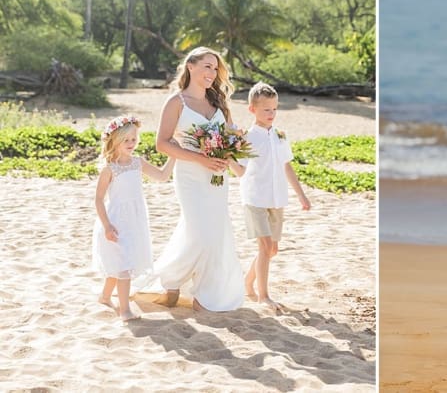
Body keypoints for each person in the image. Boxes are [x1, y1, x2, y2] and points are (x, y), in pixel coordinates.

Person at [152, 47, 245, 312]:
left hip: (217, 177)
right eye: (207, 66)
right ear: (190, 66)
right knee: (200, 232)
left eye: (215, 68)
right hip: (191, 176)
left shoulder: (219, 104)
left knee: (215, 233)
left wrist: (230, 155)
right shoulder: (176, 102)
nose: (212, 73)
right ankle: (170, 278)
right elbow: (162, 143)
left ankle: (205, 295)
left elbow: (228, 137)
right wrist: (201, 159)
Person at [229, 82, 311, 313]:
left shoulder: (280, 136)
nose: (271, 114)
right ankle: (263, 296)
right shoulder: (247, 138)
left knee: (272, 250)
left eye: (274, 109)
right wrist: (227, 156)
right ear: (252, 109)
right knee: (265, 247)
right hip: (255, 199)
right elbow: (240, 171)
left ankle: (248, 281)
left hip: (277, 200)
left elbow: (287, 167)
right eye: (266, 110)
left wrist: (301, 196)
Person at [93, 115, 175, 322]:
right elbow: (99, 200)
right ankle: (124, 310)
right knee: (123, 266)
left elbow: (162, 176)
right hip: (116, 222)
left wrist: (173, 156)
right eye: (126, 140)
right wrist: (107, 225)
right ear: (115, 141)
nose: (131, 144)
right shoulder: (109, 169)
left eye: (134, 139)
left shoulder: (138, 163)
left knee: (121, 263)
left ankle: (104, 296)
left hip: (135, 221)